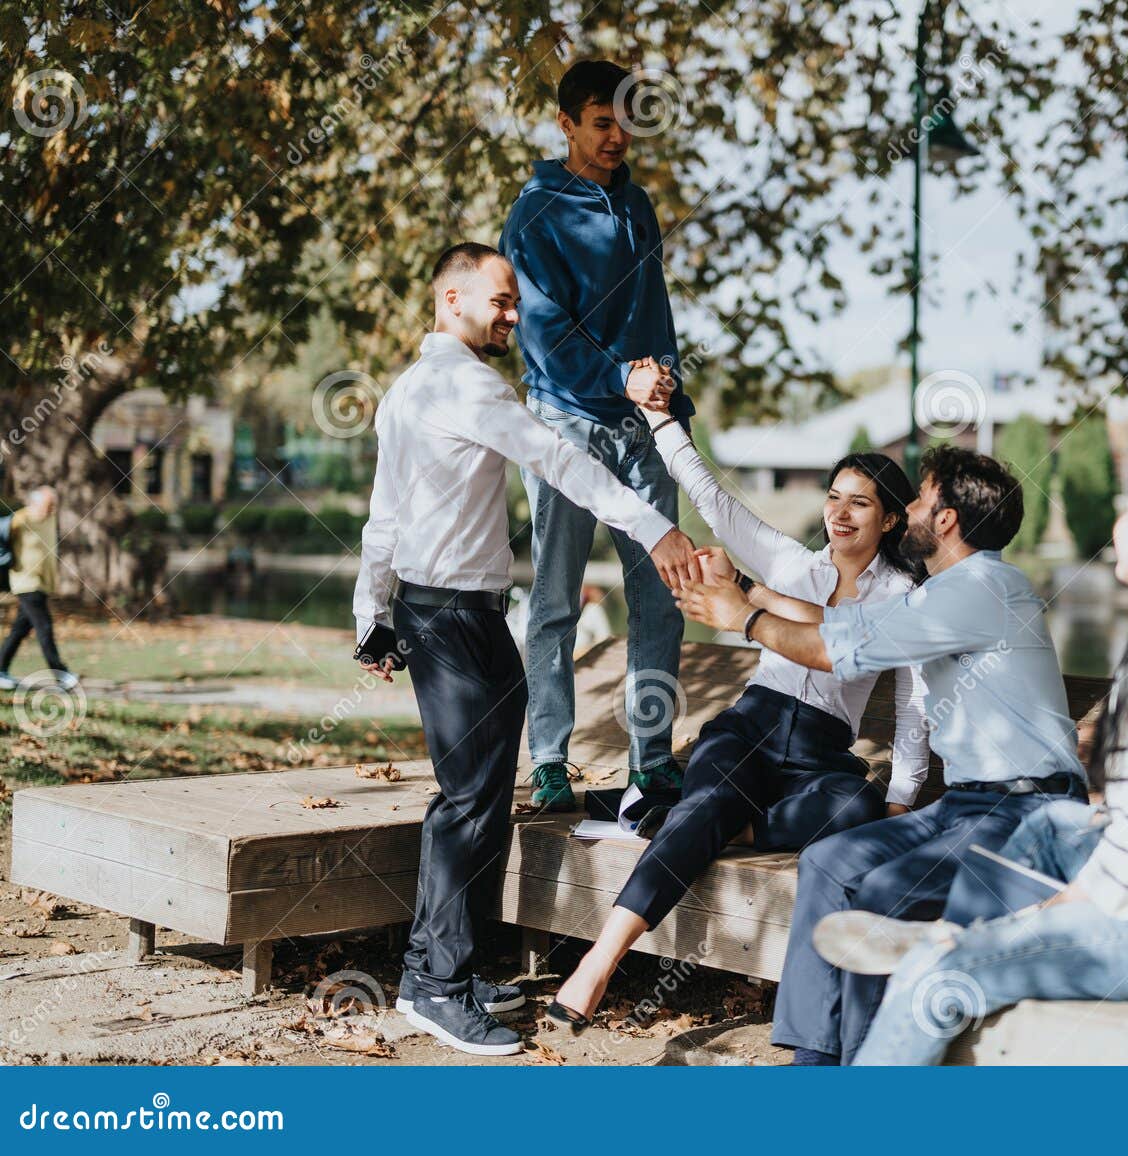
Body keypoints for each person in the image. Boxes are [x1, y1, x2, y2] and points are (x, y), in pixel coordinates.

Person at [817, 453, 1128, 1065]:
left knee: (938, 977)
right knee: (1048, 824)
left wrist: (1033, 925)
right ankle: (956, 936)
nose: (1120, 520)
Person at [353, 242, 696, 1056]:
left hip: (458, 612)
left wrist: (372, 610)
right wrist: (655, 527)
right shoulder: (468, 387)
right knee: (466, 802)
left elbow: (383, 515)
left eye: (515, 304)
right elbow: (562, 462)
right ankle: (436, 987)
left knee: (480, 797)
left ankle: (445, 969)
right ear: (450, 298)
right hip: (453, 618)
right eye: (500, 302)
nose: (514, 316)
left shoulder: (408, 389)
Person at [676, 446, 1086, 1065]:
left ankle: (870, 1072)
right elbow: (844, 627)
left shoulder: (985, 587)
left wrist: (745, 619)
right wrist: (747, 595)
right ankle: (813, 1066)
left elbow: (847, 651)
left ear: (945, 520)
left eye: (920, 498)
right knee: (830, 861)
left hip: (1028, 812)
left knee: (882, 891)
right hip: (967, 806)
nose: (911, 507)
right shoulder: (943, 592)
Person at [544, 415, 932, 1030]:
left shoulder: (904, 599)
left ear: (889, 519)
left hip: (823, 751)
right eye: (833, 496)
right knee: (710, 805)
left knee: (857, 806)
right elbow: (713, 499)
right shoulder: (790, 563)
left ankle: (693, 816)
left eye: (860, 503)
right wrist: (660, 420)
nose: (840, 512)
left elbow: (914, 703)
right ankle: (599, 961)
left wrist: (905, 795)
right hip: (750, 724)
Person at [500, 60, 690, 811]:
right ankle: (549, 758)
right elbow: (543, 337)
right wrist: (620, 379)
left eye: (625, 123)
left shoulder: (637, 203)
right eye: (601, 123)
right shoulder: (534, 216)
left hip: (643, 424)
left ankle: (654, 759)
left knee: (663, 596)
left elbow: (654, 311)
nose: (616, 137)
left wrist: (667, 385)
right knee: (555, 599)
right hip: (566, 427)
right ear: (567, 124)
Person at [0, 487, 77, 692]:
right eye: (49, 505)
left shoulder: (50, 519)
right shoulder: (19, 519)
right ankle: (60, 674)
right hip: (26, 581)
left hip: (43, 583)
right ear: (35, 503)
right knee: (44, 627)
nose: (52, 509)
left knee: (20, 629)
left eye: (54, 505)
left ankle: (0, 670)